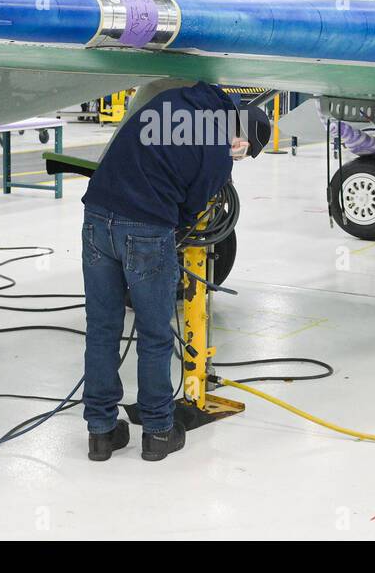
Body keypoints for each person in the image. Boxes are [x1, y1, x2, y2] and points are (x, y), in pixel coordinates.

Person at [80, 81, 270, 462]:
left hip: (97, 216)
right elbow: (189, 213)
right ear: (242, 140)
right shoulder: (218, 153)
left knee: (102, 328)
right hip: (147, 229)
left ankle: (100, 434)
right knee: (154, 334)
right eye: (245, 153)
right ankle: (158, 431)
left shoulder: (175, 100)